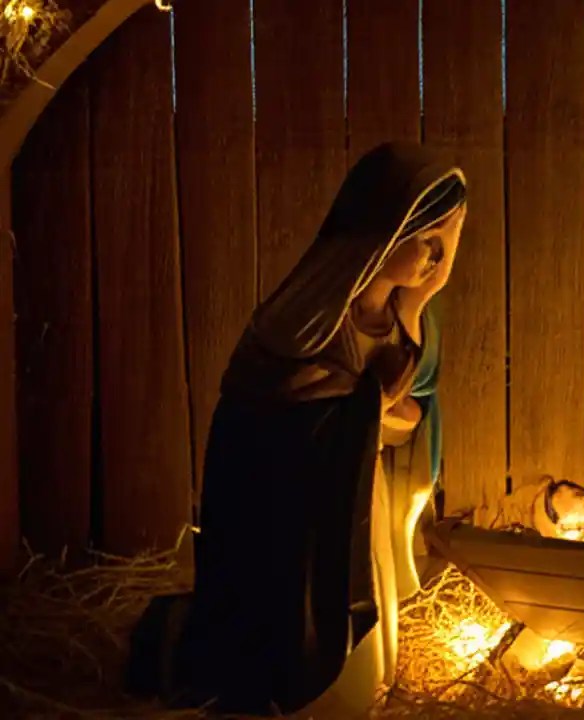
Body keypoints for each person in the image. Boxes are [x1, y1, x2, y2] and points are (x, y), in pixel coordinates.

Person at [125, 142, 464, 717]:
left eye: (447, 242)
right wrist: (369, 406)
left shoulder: (406, 321)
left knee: (371, 644)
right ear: (383, 232)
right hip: (299, 513)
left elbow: (404, 415)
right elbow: (274, 416)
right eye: (427, 238)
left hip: (359, 495)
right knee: (312, 634)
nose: (436, 256)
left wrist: (381, 405)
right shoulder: (305, 321)